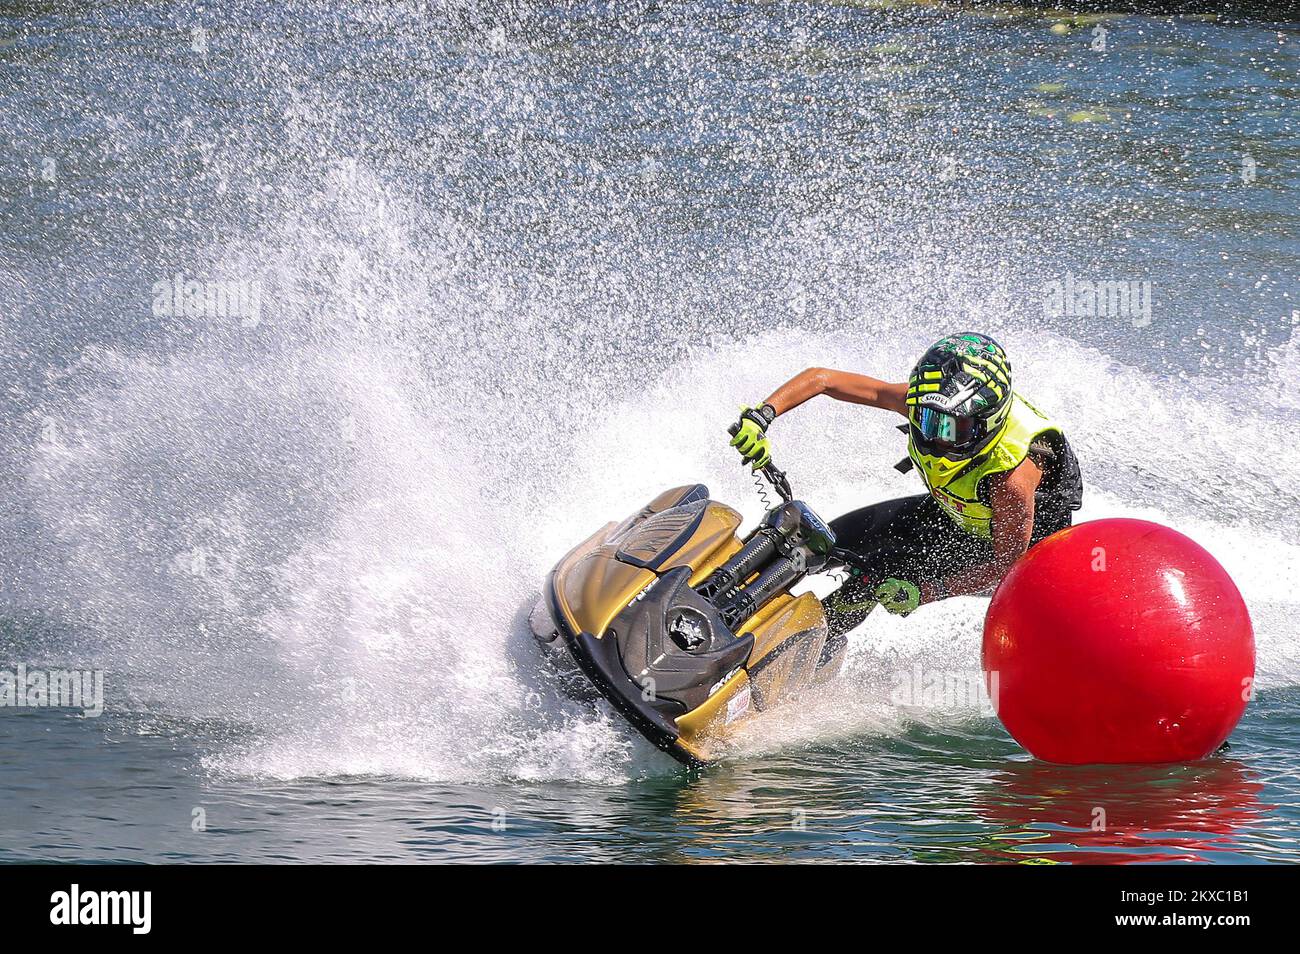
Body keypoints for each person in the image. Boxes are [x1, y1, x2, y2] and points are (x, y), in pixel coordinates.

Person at [728, 332, 1083, 640]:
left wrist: (925, 592)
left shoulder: (1012, 477)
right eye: (928, 420)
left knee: (873, 576)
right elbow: (823, 380)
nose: (934, 436)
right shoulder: (924, 405)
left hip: (1003, 548)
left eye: (950, 429)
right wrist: (762, 417)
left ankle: (802, 652)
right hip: (954, 512)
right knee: (816, 540)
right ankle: (721, 595)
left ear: (985, 425)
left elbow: (1008, 564)